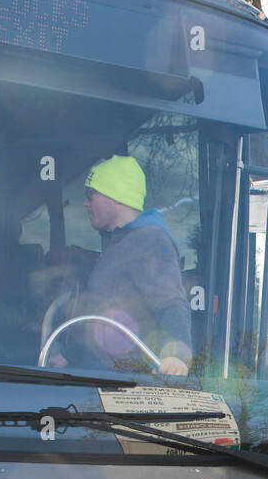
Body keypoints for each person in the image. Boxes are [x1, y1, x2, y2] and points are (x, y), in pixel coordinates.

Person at [48, 155, 191, 374]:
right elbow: (102, 317)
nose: (86, 203)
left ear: (115, 196)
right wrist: (68, 356)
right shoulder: (116, 244)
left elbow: (171, 302)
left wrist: (177, 357)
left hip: (122, 383)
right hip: (95, 377)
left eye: (91, 195)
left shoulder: (150, 240)